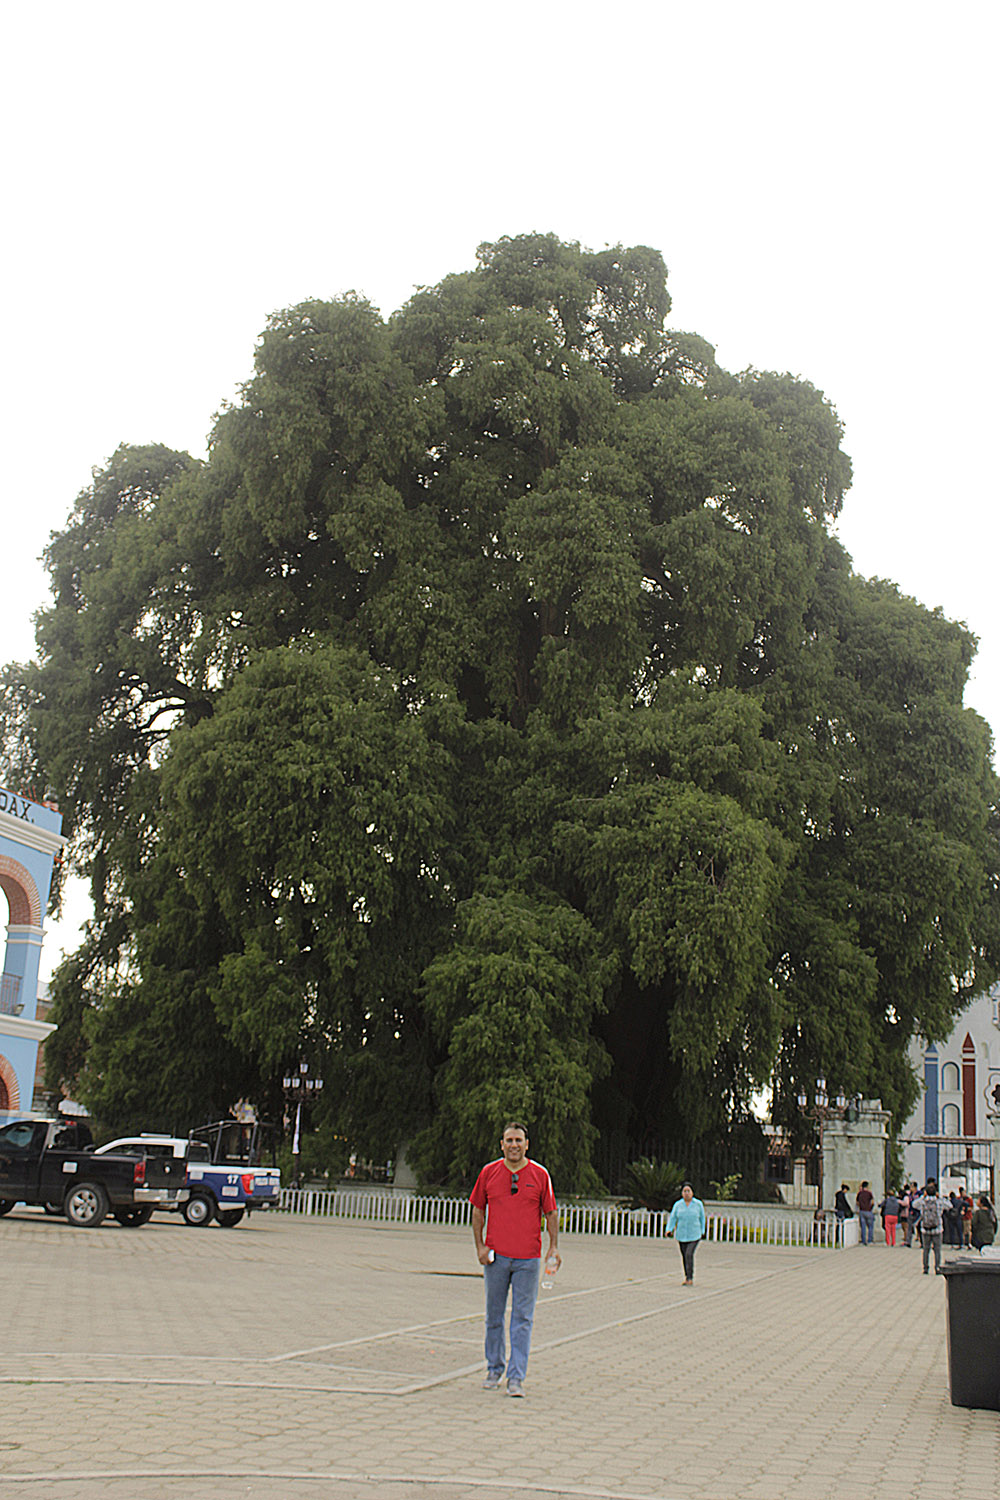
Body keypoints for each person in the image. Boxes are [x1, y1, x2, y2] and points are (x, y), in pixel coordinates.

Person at [470, 1121, 559, 1397]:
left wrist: (553, 1247)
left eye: (518, 1140)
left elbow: (551, 1214)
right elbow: (477, 1210)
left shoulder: (540, 1175)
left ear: (526, 1144)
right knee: (494, 1316)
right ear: (502, 1144)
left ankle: (516, 1376)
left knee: (522, 1318)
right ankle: (494, 1368)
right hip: (496, 1258)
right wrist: (480, 1247)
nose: (514, 1145)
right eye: (509, 1140)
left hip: (528, 1260)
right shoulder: (489, 1173)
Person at [666, 1182, 706, 1285]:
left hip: (694, 1234)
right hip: (681, 1234)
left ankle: (690, 1277)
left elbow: (702, 1218)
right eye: (684, 1191)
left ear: (692, 1192)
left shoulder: (698, 1204)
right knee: (684, 1256)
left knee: (689, 1254)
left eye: (688, 1191)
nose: (686, 1193)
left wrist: (703, 1231)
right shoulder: (678, 1205)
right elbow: (673, 1218)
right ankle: (686, 1276)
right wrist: (669, 1229)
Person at [919, 1179, 944, 1274]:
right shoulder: (939, 1202)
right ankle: (937, 1267)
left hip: (925, 1229)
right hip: (937, 1229)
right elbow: (949, 1205)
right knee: (937, 1250)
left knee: (926, 1250)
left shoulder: (923, 1202)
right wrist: (939, 1197)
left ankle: (925, 1268)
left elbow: (914, 1204)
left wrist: (923, 1197)